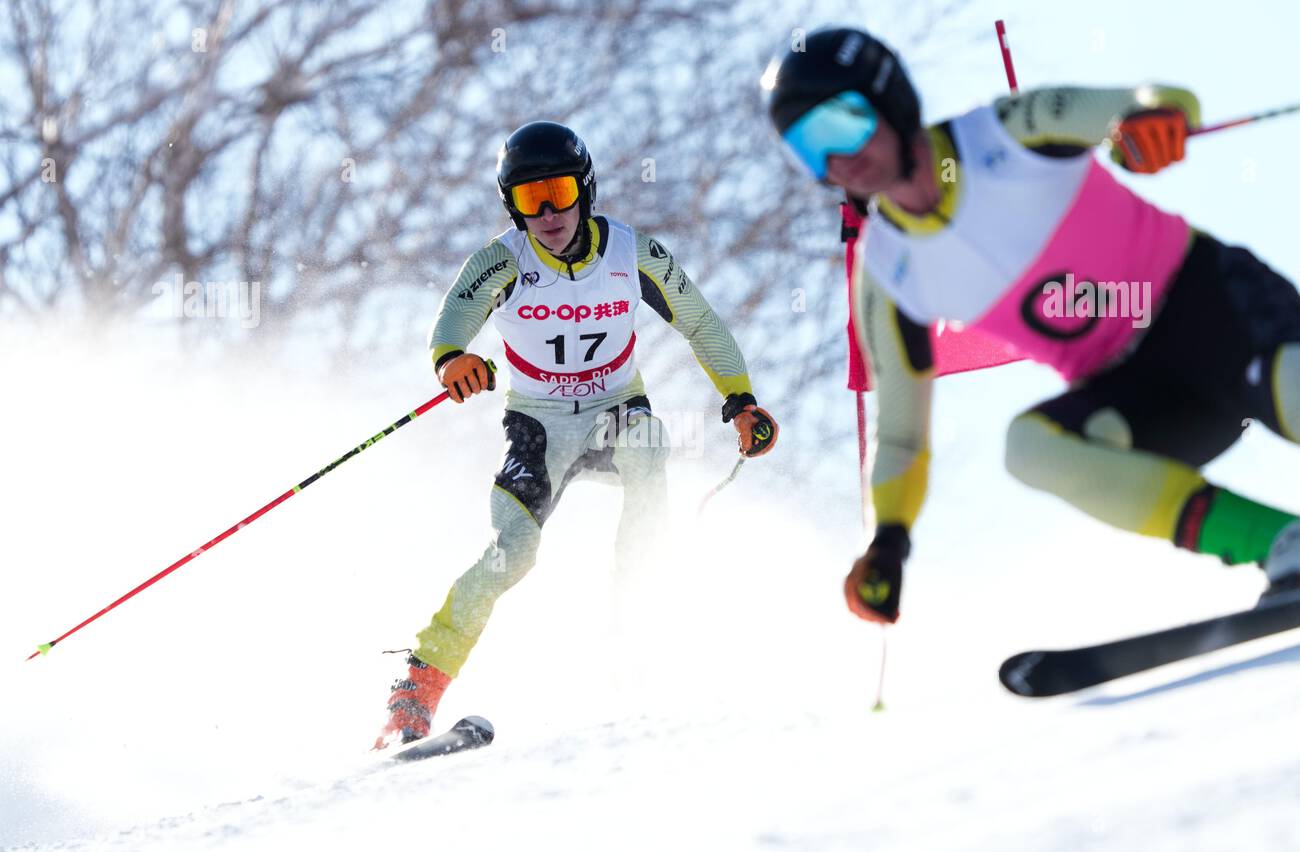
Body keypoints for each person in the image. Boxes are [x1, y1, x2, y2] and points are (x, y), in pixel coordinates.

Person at [763, 26, 1300, 626]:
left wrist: (1151, 123)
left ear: (889, 99)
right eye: (809, 147)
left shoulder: (1007, 130)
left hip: (1217, 309)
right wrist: (888, 542)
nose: (838, 158)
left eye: (842, 123)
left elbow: (1148, 98)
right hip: (1146, 397)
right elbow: (902, 434)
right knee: (1030, 449)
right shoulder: (888, 275)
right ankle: (1283, 546)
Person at [374, 121, 778, 748]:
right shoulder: (501, 261)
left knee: (647, 450)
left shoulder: (631, 252)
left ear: (584, 189)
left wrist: (741, 401)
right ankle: (417, 690)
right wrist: (453, 360)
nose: (549, 212)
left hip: (616, 404)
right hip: (539, 421)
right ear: (514, 206)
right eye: (530, 200)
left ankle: (633, 636)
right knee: (513, 551)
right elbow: (450, 323)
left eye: (559, 192)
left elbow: (700, 321)